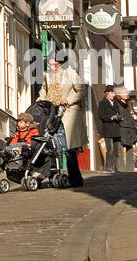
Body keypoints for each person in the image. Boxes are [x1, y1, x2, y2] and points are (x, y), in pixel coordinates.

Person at [44, 56, 87, 187]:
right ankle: (54, 177)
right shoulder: (47, 76)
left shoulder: (71, 73)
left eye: (55, 64)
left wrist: (67, 100)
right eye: (50, 65)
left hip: (67, 113)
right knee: (51, 147)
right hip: (52, 114)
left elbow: (82, 91)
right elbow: (43, 92)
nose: (53, 67)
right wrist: (41, 99)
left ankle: (75, 178)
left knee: (68, 148)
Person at [115, 85, 137, 172]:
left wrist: (135, 116)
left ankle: (129, 168)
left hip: (130, 127)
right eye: (124, 93)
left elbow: (133, 112)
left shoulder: (129, 103)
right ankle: (121, 168)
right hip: (122, 127)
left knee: (130, 147)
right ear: (119, 94)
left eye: (127, 92)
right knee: (121, 147)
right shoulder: (116, 103)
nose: (127, 94)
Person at [97, 87, 122, 173]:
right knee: (110, 149)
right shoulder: (102, 103)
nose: (113, 95)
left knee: (116, 150)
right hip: (108, 129)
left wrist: (119, 117)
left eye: (114, 93)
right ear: (107, 93)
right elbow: (101, 116)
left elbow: (119, 112)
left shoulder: (116, 103)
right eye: (111, 93)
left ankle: (115, 167)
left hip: (116, 129)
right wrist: (111, 117)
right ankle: (109, 167)